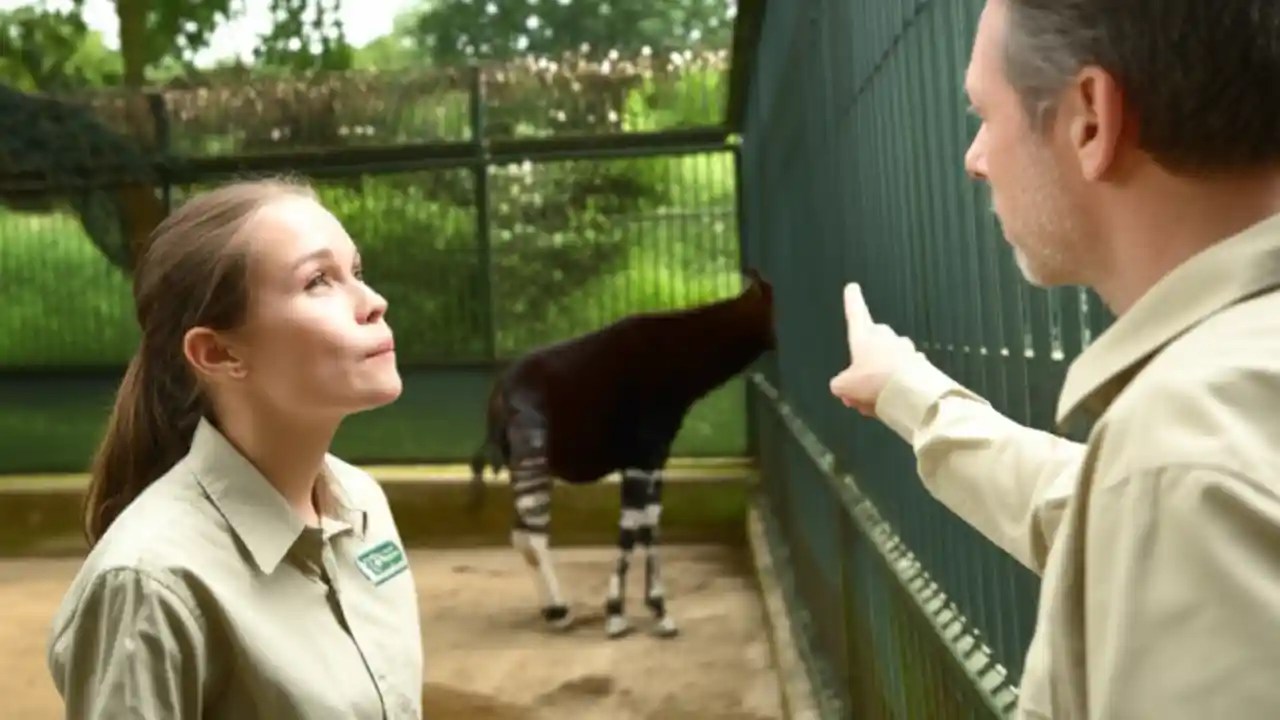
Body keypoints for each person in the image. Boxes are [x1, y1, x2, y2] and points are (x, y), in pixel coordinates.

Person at [828, 1, 1280, 718]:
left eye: (984, 113)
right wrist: (908, 393)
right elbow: (1106, 514)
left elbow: (1158, 493)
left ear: (1090, 119)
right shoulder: (1213, 431)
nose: (975, 158)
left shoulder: (1182, 451)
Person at [45, 177, 424, 719]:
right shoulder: (150, 582)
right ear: (218, 353)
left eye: (356, 273)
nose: (373, 303)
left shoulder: (362, 503)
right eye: (318, 280)